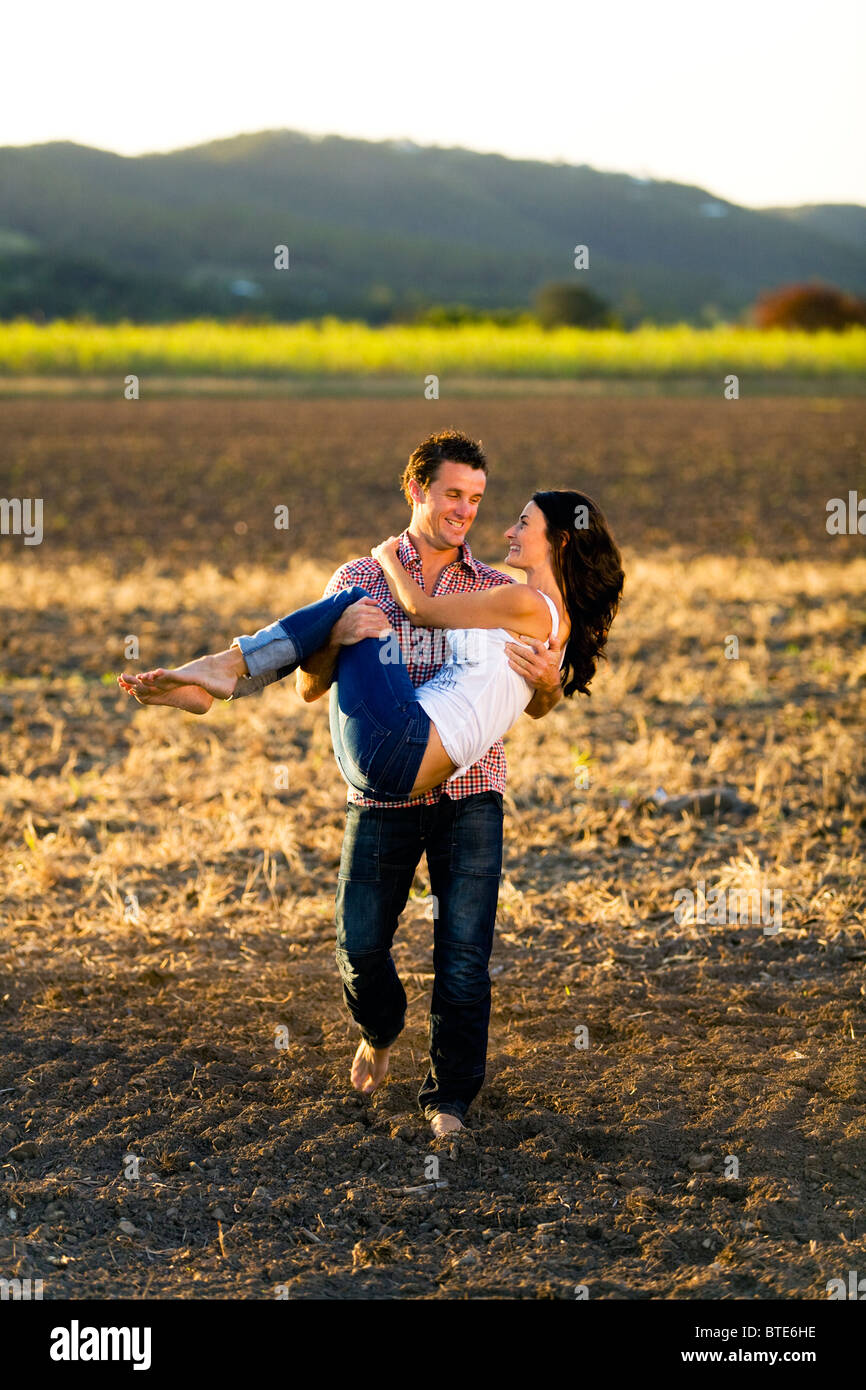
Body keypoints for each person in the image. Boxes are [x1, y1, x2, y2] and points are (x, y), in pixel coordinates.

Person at [119, 431, 624, 1135]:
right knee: (360, 946)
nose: (468, 513)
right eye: (453, 495)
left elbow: (531, 698)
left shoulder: (498, 587)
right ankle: (380, 1030)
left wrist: (549, 688)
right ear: (417, 489)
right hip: (383, 784)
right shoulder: (357, 572)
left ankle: (449, 1101)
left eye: (478, 500)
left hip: (468, 788)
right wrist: (343, 634)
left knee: (464, 958)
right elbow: (310, 690)